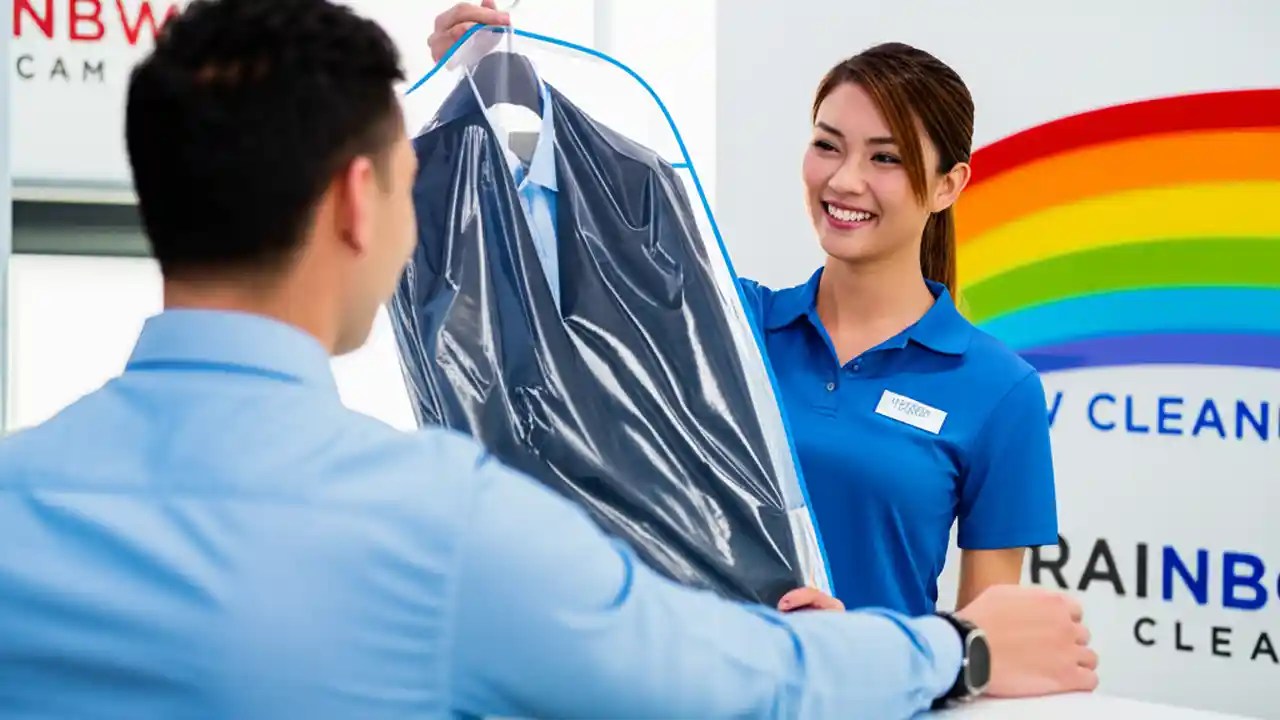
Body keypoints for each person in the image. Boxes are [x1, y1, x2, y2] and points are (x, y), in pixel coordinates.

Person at [0, 1, 1097, 718]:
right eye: (412, 179)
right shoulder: (440, 529)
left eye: (882, 157)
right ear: (356, 201)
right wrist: (948, 652)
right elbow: (716, 681)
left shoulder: (18, 502)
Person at [430, 7, 1059, 619]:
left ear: (949, 185)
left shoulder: (997, 390)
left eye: (884, 158)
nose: (844, 180)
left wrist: (868, 647)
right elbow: (557, 254)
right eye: (827, 146)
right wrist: (486, 81)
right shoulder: (730, 319)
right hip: (701, 684)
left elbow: (989, 643)